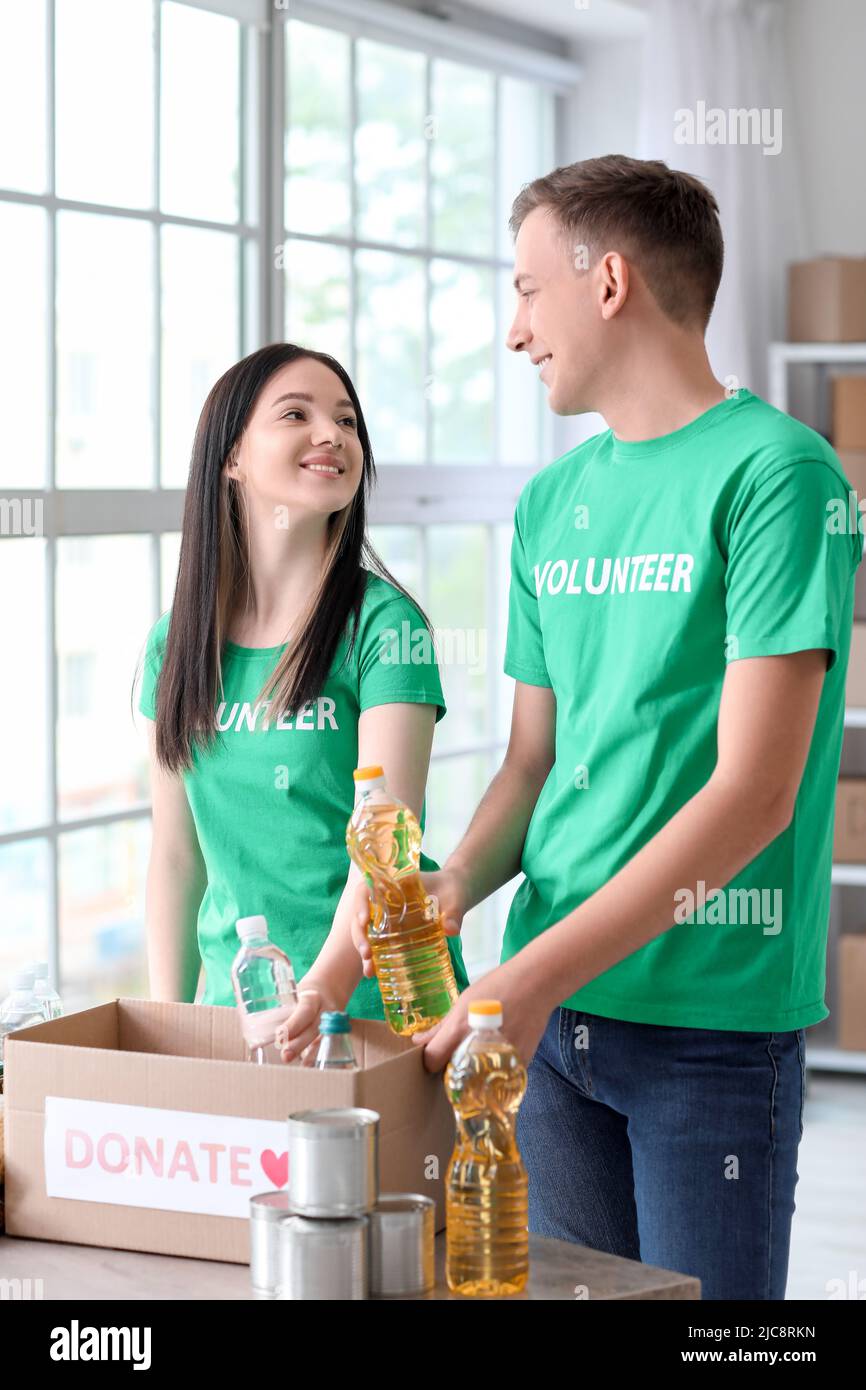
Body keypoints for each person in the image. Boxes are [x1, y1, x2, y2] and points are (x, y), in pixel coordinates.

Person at [350, 155, 862, 1299]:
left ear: (610, 281)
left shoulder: (776, 475)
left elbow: (753, 794)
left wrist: (523, 980)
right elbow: (533, 759)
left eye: (527, 289)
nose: (513, 329)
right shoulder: (550, 500)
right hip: (552, 1019)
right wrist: (454, 888)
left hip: (704, 1027)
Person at [136, 342, 469, 1047]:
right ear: (231, 459)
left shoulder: (385, 628)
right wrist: (166, 1028)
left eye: (347, 421)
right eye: (297, 414)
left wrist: (323, 990)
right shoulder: (177, 645)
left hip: (377, 1006)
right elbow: (176, 854)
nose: (333, 434)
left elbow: (387, 849)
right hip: (239, 1010)